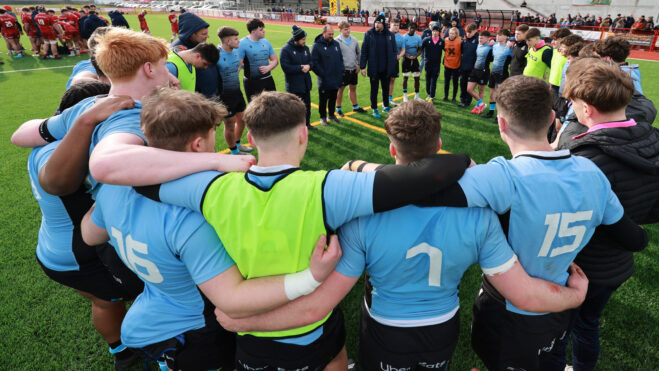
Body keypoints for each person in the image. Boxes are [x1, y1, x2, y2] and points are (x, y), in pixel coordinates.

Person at [215, 100, 589, 370]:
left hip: (384, 329)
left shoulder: (362, 218)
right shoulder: (481, 217)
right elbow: (523, 292)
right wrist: (573, 297)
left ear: (392, 148)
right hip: (442, 324)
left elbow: (316, 306)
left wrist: (244, 323)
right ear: (439, 144)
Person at [131, 91, 473, 371]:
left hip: (252, 329)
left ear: (249, 137)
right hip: (311, 329)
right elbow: (416, 178)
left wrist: (208, 162)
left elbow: (143, 181)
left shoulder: (211, 190)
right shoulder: (327, 188)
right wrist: (462, 160)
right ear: (304, 133)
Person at [80, 88, 341, 371]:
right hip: (197, 331)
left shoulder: (115, 188)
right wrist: (310, 277)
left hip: (151, 317)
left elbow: (90, 234)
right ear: (196, 145)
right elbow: (233, 301)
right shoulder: (197, 214)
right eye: (213, 131)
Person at [10, 27, 250, 201]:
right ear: (148, 68)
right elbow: (105, 164)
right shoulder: (133, 117)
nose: (169, 75)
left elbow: (20, 135)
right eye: (162, 66)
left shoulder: (91, 104)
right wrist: (215, 160)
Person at [550, 59, 659, 371]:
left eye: (573, 103)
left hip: (576, 264)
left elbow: (554, 217)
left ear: (587, 108)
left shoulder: (585, 158)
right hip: (617, 262)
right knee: (588, 324)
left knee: (556, 332)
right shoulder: (658, 143)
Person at [27, 82, 144, 369]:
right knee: (111, 299)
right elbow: (60, 183)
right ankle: (124, 354)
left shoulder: (51, 144)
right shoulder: (60, 155)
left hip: (55, 249)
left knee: (103, 298)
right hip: (77, 255)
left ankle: (122, 346)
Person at [216, 26, 252, 155]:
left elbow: (237, 67)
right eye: (236, 39)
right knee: (230, 124)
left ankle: (238, 143)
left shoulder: (236, 52)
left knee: (242, 120)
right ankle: (234, 151)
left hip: (237, 92)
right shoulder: (216, 54)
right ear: (227, 41)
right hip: (224, 96)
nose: (239, 41)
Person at [360, 15, 398, 119]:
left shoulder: (390, 35)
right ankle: (374, 109)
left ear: (383, 24)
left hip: (386, 68)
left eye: (379, 23)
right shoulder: (369, 34)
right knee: (374, 90)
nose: (376, 25)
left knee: (386, 89)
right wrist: (363, 66)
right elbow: (364, 51)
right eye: (376, 22)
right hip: (374, 68)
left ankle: (385, 106)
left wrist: (393, 66)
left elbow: (394, 52)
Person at [174, 13, 219, 98]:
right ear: (191, 34)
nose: (207, 36)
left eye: (207, 33)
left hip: (211, 98)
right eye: (203, 34)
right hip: (196, 103)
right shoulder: (177, 52)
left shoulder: (202, 45)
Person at [280, 25, 315, 130]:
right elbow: (286, 67)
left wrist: (309, 66)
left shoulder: (306, 48)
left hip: (305, 84)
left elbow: (312, 62)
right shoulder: (286, 50)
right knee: (294, 109)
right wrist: (300, 68)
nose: (305, 41)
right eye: (303, 39)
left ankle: (306, 125)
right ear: (296, 39)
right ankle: (295, 128)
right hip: (294, 86)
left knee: (307, 106)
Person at [312, 24, 344, 126]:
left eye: (332, 34)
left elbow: (340, 58)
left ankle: (331, 115)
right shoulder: (317, 46)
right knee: (323, 100)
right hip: (324, 79)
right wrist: (323, 74)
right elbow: (314, 63)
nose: (331, 36)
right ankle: (322, 117)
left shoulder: (336, 44)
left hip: (335, 78)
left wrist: (341, 70)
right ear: (324, 33)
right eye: (329, 34)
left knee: (333, 98)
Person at [240, 18, 278, 101]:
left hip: (268, 80)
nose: (264, 31)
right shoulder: (242, 43)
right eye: (261, 30)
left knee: (274, 107)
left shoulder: (266, 42)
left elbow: (275, 60)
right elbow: (238, 64)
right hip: (252, 83)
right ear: (253, 32)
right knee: (255, 110)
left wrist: (269, 67)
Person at [482, 28, 514, 122]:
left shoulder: (509, 48)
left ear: (506, 37)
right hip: (493, 73)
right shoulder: (494, 45)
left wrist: (512, 43)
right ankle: (491, 112)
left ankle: (499, 116)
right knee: (492, 94)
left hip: (502, 74)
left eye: (500, 35)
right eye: (497, 35)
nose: (497, 36)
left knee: (500, 96)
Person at [334, 20, 365, 116]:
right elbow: (335, 57)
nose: (348, 31)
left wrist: (359, 65)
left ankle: (355, 106)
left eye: (349, 29)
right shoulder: (336, 41)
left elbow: (359, 53)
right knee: (340, 90)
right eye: (345, 29)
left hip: (353, 70)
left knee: (353, 88)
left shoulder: (354, 40)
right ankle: (338, 109)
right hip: (343, 71)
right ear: (340, 30)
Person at [467, 30, 493, 114]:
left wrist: (494, 41)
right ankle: (481, 104)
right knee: (469, 89)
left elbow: (501, 44)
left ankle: (478, 107)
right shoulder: (478, 45)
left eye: (481, 38)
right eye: (479, 38)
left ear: (487, 39)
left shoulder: (491, 46)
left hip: (484, 71)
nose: (479, 39)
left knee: (481, 90)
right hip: (475, 70)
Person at [421, 22, 444, 102]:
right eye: (433, 31)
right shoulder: (426, 40)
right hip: (428, 63)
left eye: (437, 31)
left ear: (439, 32)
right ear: (431, 31)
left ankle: (432, 96)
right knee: (428, 80)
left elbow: (447, 51)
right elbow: (420, 48)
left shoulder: (442, 41)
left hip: (436, 64)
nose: (435, 32)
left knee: (434, 80)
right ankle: (428, 93)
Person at [400, 22, 423, 101]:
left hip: (415, 60)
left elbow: (420, 49)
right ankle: (405, 96)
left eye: (413, 28)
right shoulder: (404, 37)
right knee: (405, 77)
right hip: (406, 60)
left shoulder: (418, 37)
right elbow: (402, 49)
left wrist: (416, 56)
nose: (412, 29)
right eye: (410, 27)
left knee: (417, 78)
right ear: (408, 28)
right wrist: (407, 56)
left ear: (415, 29)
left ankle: (416, 96)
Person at [458, 23, 478, 107]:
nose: (468, 34)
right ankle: (462, 100)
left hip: (472, 68)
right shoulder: (464, 41)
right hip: (463, 67)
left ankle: (467, 102)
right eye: (467, 32)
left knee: (469, 86)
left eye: (470, 32)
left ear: (475, 31)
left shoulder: (477, 41)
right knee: (462, 84)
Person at [387, 20, 406, 106]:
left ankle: (389, 98)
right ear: (390, 26)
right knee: (384, 80)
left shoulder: (401, 38)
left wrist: (400, 55)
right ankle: (385, 97)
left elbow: (403, 49)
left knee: (392, 79)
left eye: (398, 25)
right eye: (394, 25)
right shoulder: (385, 35)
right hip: (385, 61)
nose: (396, 27)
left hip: (394, 62)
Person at [442, 26, 462, 102]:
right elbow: (444, 49)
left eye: (453, 33)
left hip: (456, 65)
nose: (451, 35)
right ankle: (445, 96)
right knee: (446, 82)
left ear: (456, 34)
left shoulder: (460, 41)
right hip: (447, 64)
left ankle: (454, 97)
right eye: (450, 33)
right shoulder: (445, 40)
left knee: (455, 82)